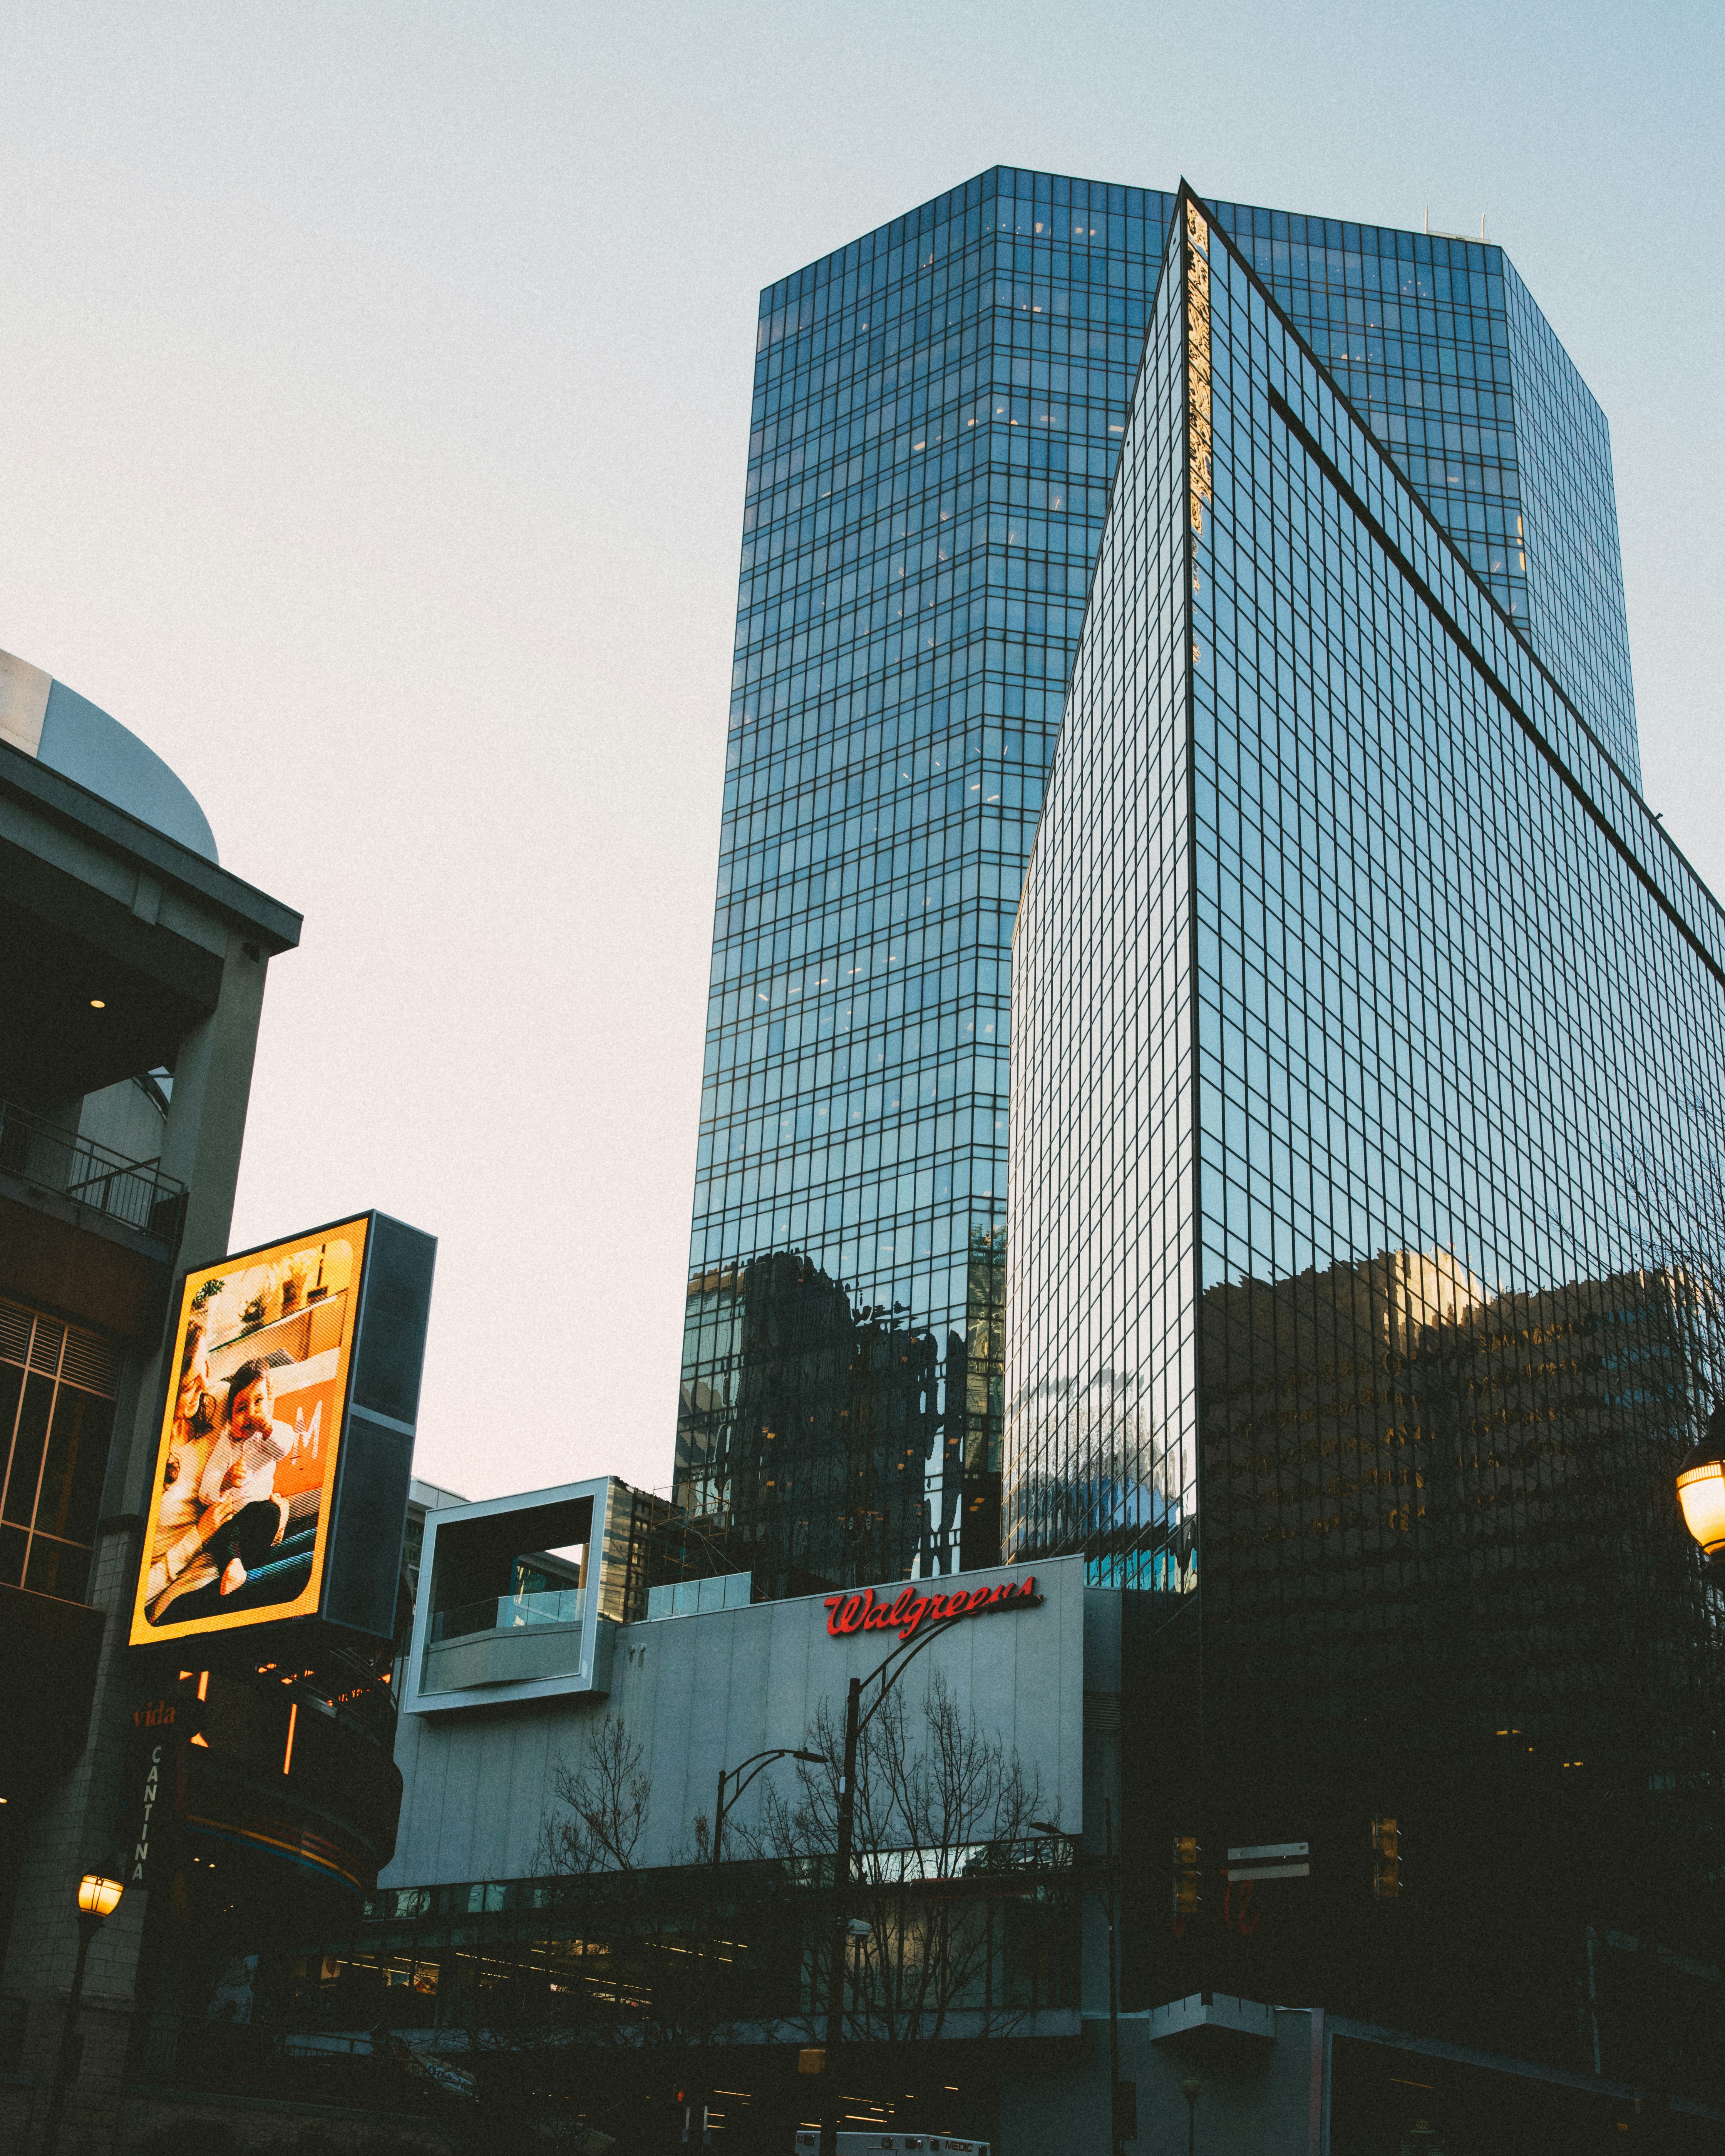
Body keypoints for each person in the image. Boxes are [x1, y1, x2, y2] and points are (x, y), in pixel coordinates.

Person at [144, 1360, 293, 1624]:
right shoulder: (152, 1462)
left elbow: (283, 1447)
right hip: (189, 1580)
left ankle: (244, 1561)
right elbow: (208, 1492)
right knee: (305, 1568)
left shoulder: (217, 1400)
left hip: (248, 1532)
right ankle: (236, 1566)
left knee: (314, 1542)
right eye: (191, 1383)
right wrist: (201, 1531)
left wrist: (276, 1526)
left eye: (206, 1367)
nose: (250, 1414)